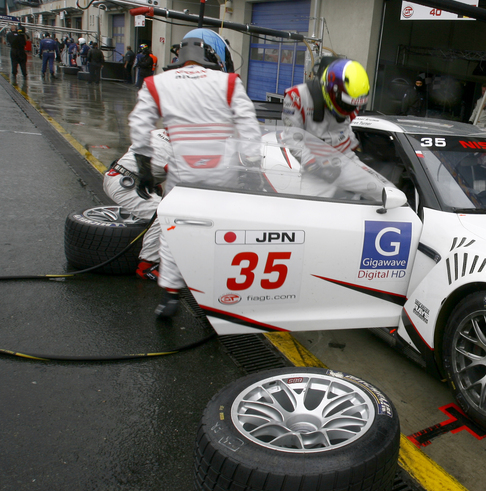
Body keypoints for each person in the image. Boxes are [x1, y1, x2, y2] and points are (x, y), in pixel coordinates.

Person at [128, 38, 261, 319]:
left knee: (174, 229)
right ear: (207, 58)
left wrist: (143, 167)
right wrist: (252, 167)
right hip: (221, 170)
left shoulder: (157, 83)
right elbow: (249, 125)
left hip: (182, 170)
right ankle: (219, 295)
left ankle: (170, 296)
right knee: (221, 232)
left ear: (179, 59)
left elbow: (139, 123)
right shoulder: (228, 81)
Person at [281, 58, 392, 200]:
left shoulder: (354, 97)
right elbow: (292, 139)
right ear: (332, 90)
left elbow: (345, 128)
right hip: (316, 168)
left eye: (354, 105)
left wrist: (356, 147)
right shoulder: (297, 97)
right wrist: (315, 167)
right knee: (310, 216)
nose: (350, 108)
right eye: (347, 103)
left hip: (345, 159)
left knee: (389, 194)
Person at [103, 129, 172, 280]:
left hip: (126, 178)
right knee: (166, 215)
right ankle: (147, 266)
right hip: (126, 185)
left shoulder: (159, 133)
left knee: (169, 208)